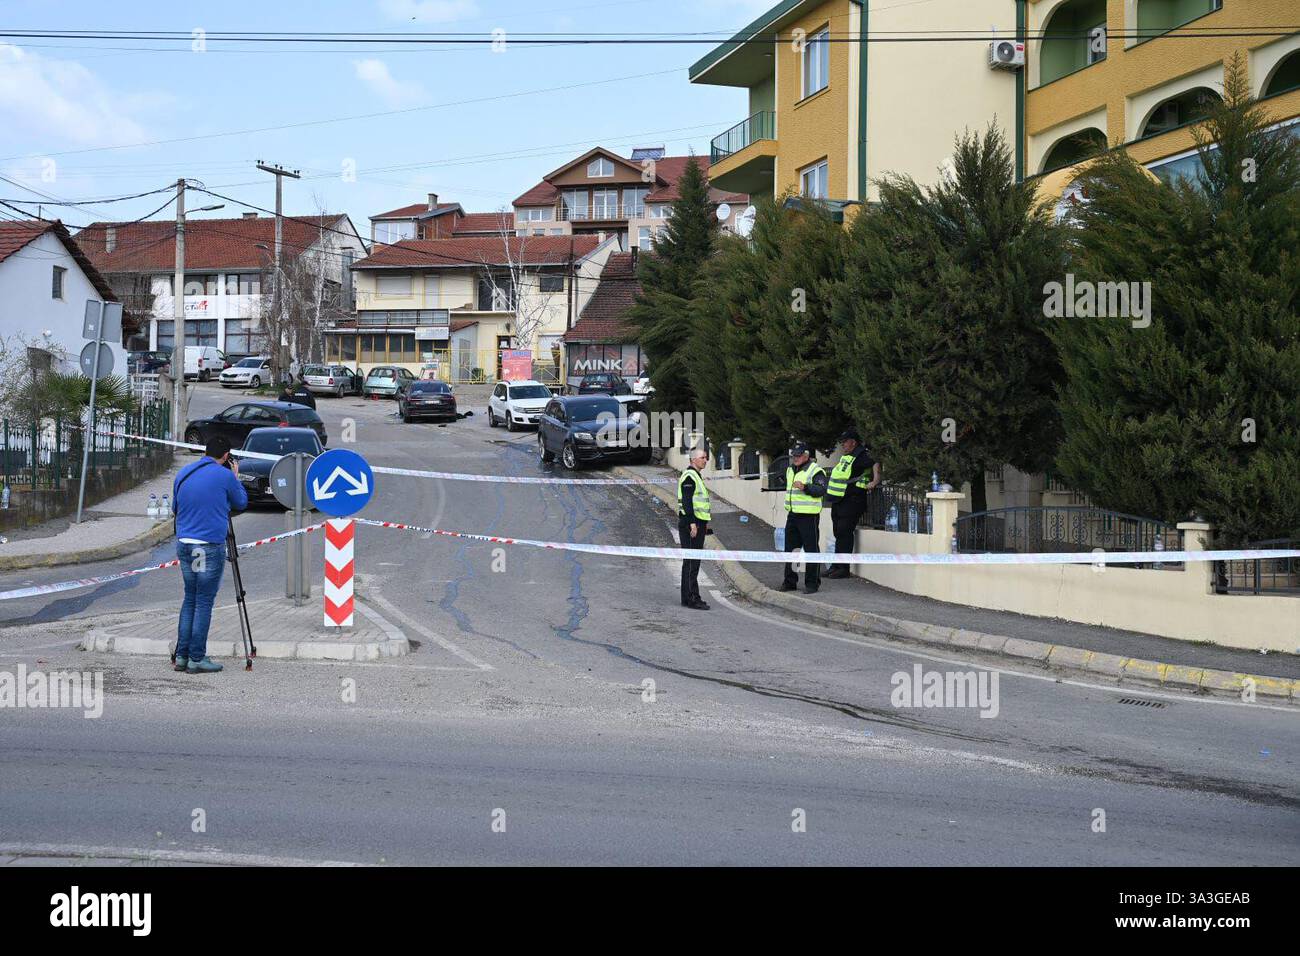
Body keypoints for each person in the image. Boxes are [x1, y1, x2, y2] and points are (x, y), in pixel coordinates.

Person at [172, 435, 248, 674]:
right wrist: (235, 477)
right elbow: (241, 502)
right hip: (208, 546)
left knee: (190, 598)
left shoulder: (184, 472)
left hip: (185, 544)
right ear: (226, 456)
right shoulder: (225, 476)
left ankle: (182, 656)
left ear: (205, 452)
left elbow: (175, 508)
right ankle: (197, 658)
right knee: (203, 601)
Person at [824, 427, 881, 579]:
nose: (842, 444)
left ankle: (843, 569)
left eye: (845, 442)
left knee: (844, 533)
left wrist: (875, 481)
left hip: (853, 501)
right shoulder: (848, 455)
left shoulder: (861, 454)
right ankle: (836, 566)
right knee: (838, 532)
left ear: (853, 442)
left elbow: (875, 461)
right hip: (839, 500)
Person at [781, 441, 829, 594]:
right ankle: (790, 582)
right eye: (794, 455)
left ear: (806, 456)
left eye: (799, 455)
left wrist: (805, 487)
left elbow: (821, 490)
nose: (795, 458)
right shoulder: (790, 469)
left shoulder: (815, 470)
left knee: (811, 550)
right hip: (793, 514)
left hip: (808, 516)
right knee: (791, 550)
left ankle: (812, 584)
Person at [677, 447, 712, 610]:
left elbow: (699, 503)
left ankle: (688, 597)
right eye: (702, 458)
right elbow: (687, 501)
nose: (705, 460)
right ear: (693, 460)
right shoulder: (690, 476)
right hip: (691, 524)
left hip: (698, 523)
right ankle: (692, 598)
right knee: (691, 563)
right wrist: (692, 523)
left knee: (692, 562)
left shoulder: (695, 476)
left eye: (706, 457)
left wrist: (704, 523)